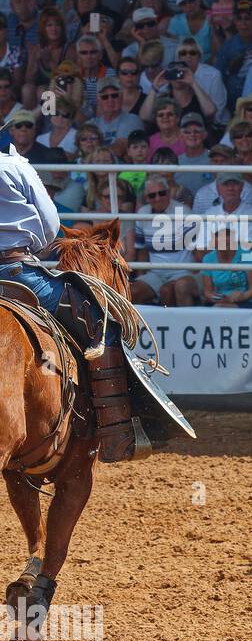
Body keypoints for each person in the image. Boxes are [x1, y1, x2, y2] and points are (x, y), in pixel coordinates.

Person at [0, 141, 184, 464]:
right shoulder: (15, 165)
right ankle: (117, 433)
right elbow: (49, 224)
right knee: (99, 324)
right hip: (18, 272)